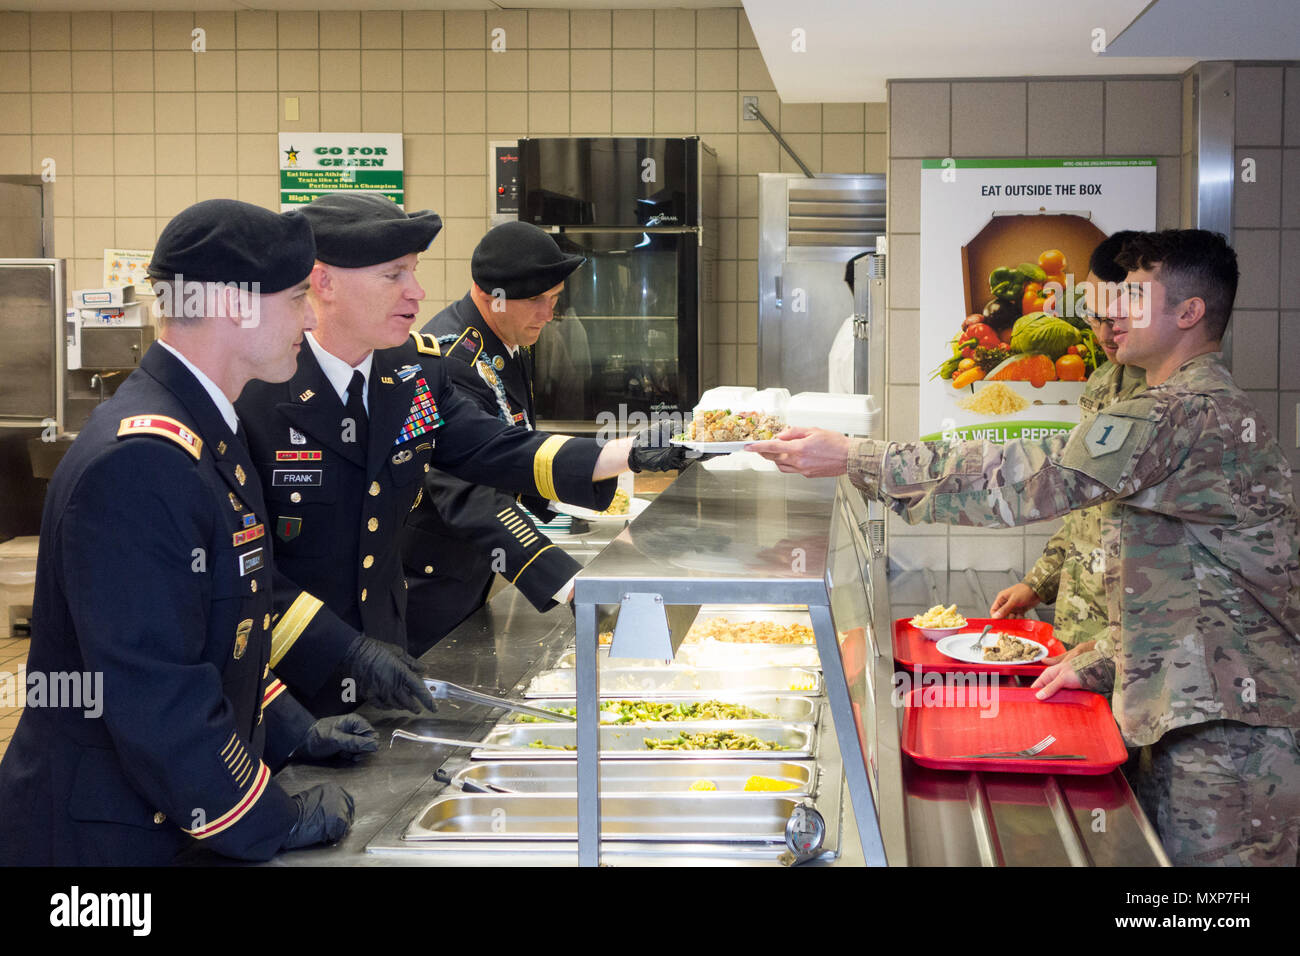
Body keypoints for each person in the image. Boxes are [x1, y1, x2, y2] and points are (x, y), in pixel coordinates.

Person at [749, 230, 1300, 866]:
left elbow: (1032, 474)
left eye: (1134, 296)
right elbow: (1191, 585)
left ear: (1188, 312)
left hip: (1232, 736)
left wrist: (857, 456)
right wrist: (1102, 655)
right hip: (1197, 713)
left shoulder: (1189, 411)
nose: (1110, 313)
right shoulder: (1164, 402)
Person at [0, 200, 379, 865]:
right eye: (296, 298)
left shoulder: (204, 428)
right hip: (104, 840)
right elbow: (155, 691)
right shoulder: (143, 458)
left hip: (158, 816)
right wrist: (272, 818)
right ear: (236, 305)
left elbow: (215, 636)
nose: (310, 318)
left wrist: (292, 729)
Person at [236, 195, 691, 715]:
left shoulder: (410, 371)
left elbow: (491, 449)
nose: (417, 292)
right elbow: (240, 577)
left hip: (388, 663)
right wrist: (331, 667)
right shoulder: (255, 390)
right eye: (394, 275)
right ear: (324, 282)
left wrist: (627, 452)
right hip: (286, 687)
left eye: (415, 271)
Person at [402, 222, 586, 653]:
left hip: (471, 562)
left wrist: (556, 503)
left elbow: (510, 441)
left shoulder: (502, 339)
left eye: (554, 299)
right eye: (536, 301)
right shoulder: (453, 361)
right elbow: (467, 493)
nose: (549, 314)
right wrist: (565, 582)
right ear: (489, 296)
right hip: (429, 577)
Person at [988, 231, 1147, 652]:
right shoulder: (1103, 382)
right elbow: (1087, 510)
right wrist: (1039, 582)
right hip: (1077, 635)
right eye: (1095, 318)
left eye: (1118, 320)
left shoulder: (1164, 403)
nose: (1106, 334)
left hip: (1124, 652)